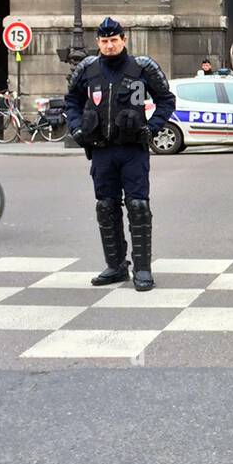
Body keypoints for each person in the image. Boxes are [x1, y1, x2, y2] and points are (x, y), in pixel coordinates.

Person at [64, 17, 176, 291]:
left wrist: (152, 128)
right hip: (101, 150)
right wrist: (77, 129)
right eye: (104, 41)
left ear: (124, 40)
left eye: (114, 40)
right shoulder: (87, 69)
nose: (110, 45)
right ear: (98, 43)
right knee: (106, 206)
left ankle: (142, 269)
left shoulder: (142, 68)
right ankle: (115, 266)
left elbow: (166, 100)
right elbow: (71, 101)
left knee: (138, 207)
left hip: (132, 150)